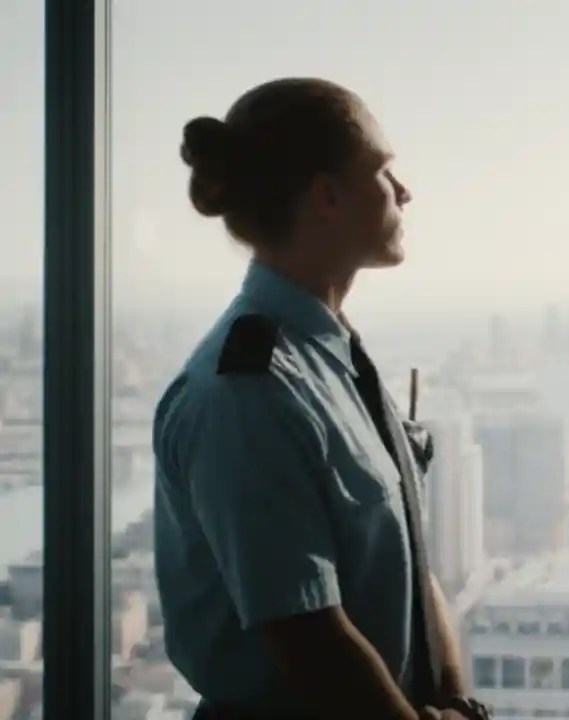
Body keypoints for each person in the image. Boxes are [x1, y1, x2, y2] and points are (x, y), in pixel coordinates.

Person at [152, 78, 487, 720]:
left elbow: (412, 566)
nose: (404, 191)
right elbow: (308, 638)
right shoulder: (249, 393)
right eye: (383, 171)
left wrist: (453, 702)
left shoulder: (334, 360)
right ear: (327, 196)